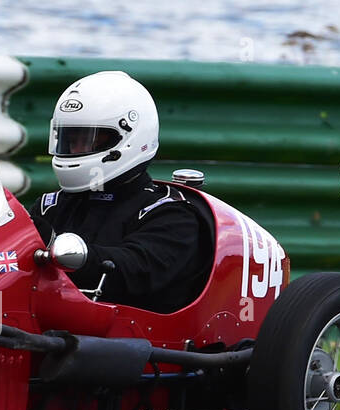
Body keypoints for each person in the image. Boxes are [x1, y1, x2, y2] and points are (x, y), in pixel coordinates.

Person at [28, 70, 210, 314]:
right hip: (48, 321)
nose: (77, 148)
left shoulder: (171, 214)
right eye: (72, 139)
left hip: (135, 341)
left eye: (90, 140)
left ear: (129, 138)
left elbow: (132, 271)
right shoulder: (50, 206)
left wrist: (60, 251)